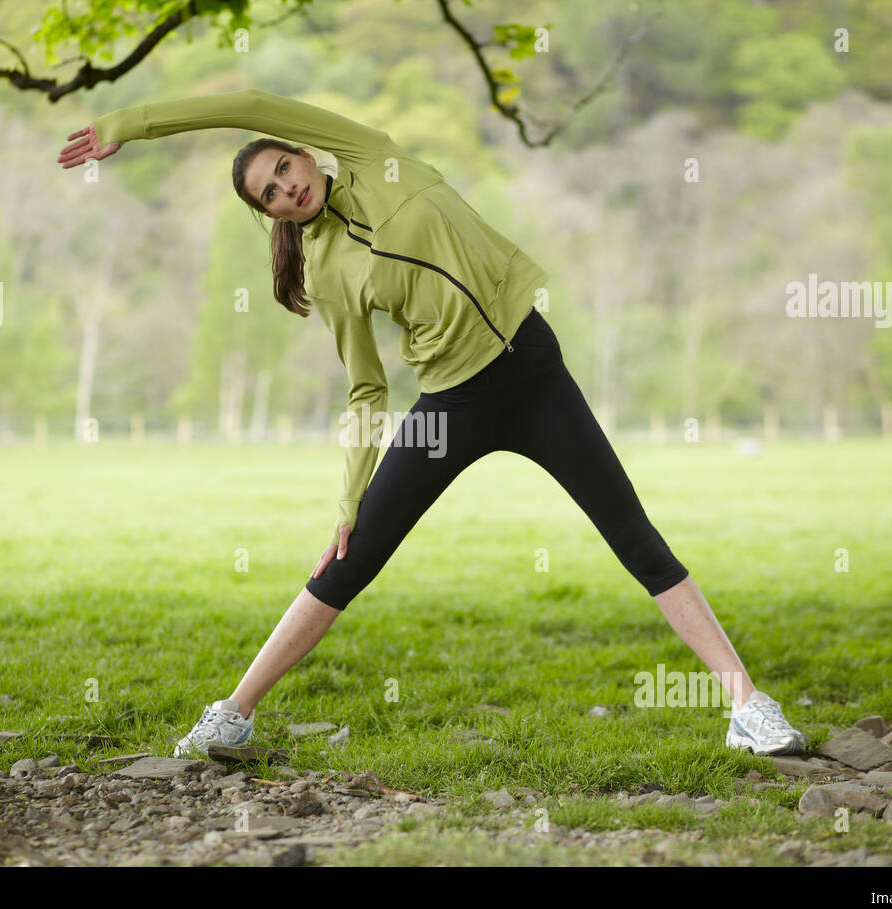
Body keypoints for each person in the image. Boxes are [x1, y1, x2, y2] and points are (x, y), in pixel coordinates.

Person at [56, 88, 807, 759]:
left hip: (533, 372)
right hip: (451, 405)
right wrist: (348, 501)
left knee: (633, 533)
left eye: (284, 168)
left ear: (303, 152)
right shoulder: (322, 270)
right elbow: (364, 388)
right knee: (350, 558)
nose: (287, 186)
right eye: (271, 195)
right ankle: (233, 714)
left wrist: (130, 123)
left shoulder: (365, 153)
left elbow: (244, 104)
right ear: (270, 215)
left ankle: (747, 705)